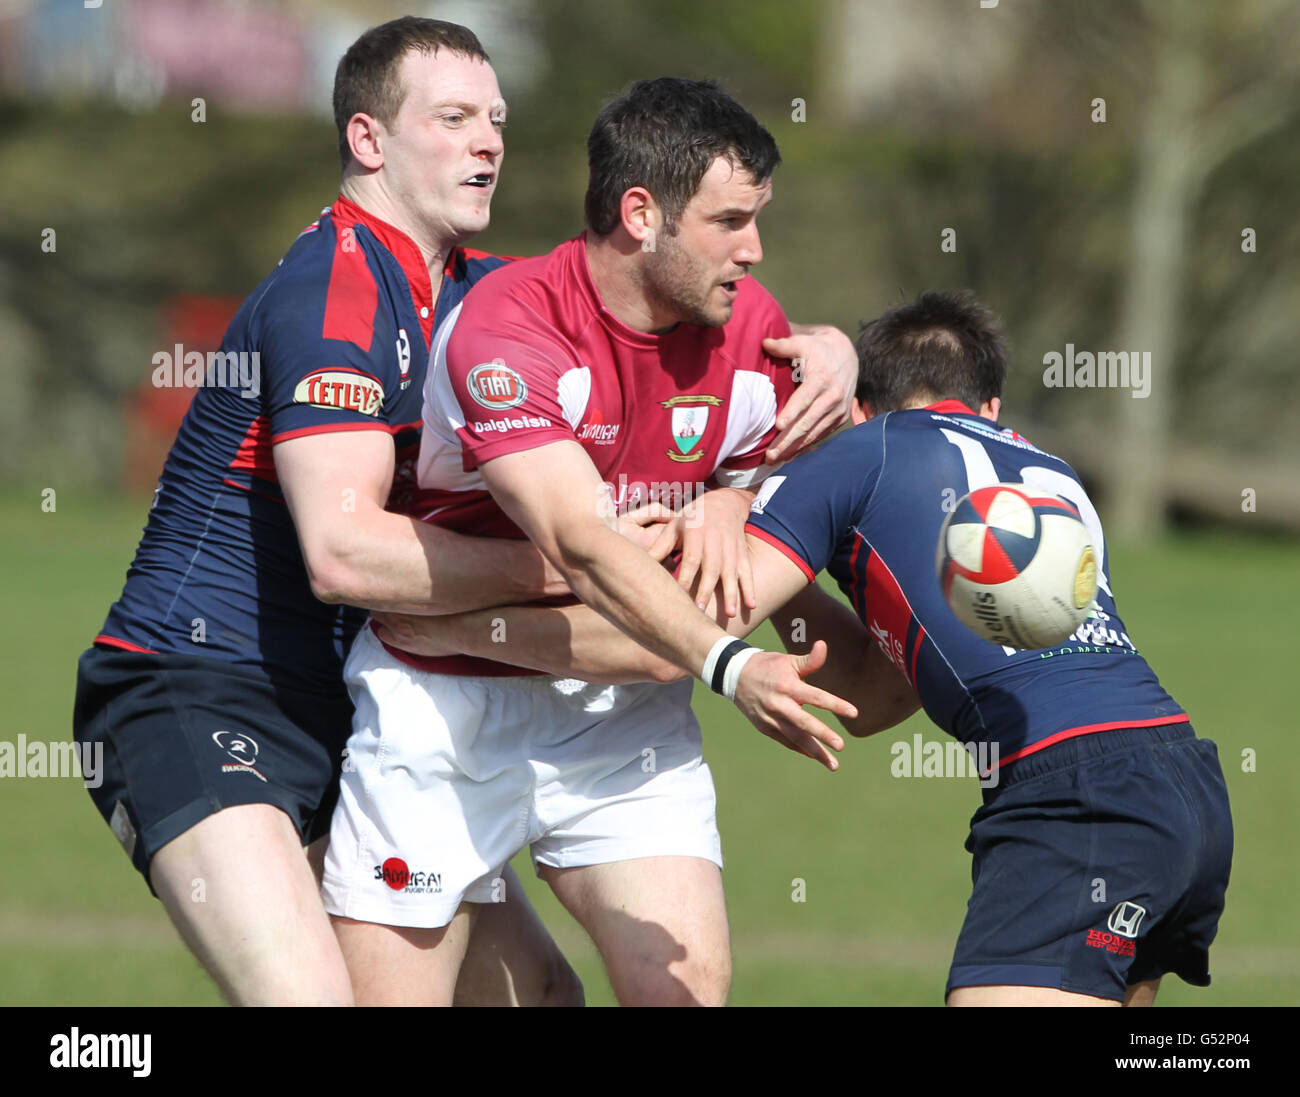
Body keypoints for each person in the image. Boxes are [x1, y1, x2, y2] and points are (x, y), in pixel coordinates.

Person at [72, 19, 858, 1007]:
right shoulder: (338, 292)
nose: (488, 139)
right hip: (204, 686)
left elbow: (629, 294)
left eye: (495, 117)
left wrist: (831, 353)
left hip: (354, 697)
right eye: (452, 117)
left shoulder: (473, 293)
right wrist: (595, 558)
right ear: (368, 140)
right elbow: (346, 551)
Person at [379, 290, 1234, 1007]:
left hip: (1072, 796)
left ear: (858, 406)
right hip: (1183, 784)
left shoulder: (865, 450)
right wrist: (800, 561)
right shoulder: (1049, 473)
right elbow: (875, 695)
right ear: (991, 404)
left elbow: (669, 635)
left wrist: (463, 631)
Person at [323, 77, 860, 1007]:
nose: (755, 249)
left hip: (621, 729)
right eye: (730, 221)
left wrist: (734, 496)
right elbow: (580, 541)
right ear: (641, 212)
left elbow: (769, 472)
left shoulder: (753, 329)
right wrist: (733, 667)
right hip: (443, 712)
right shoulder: (509, 328)